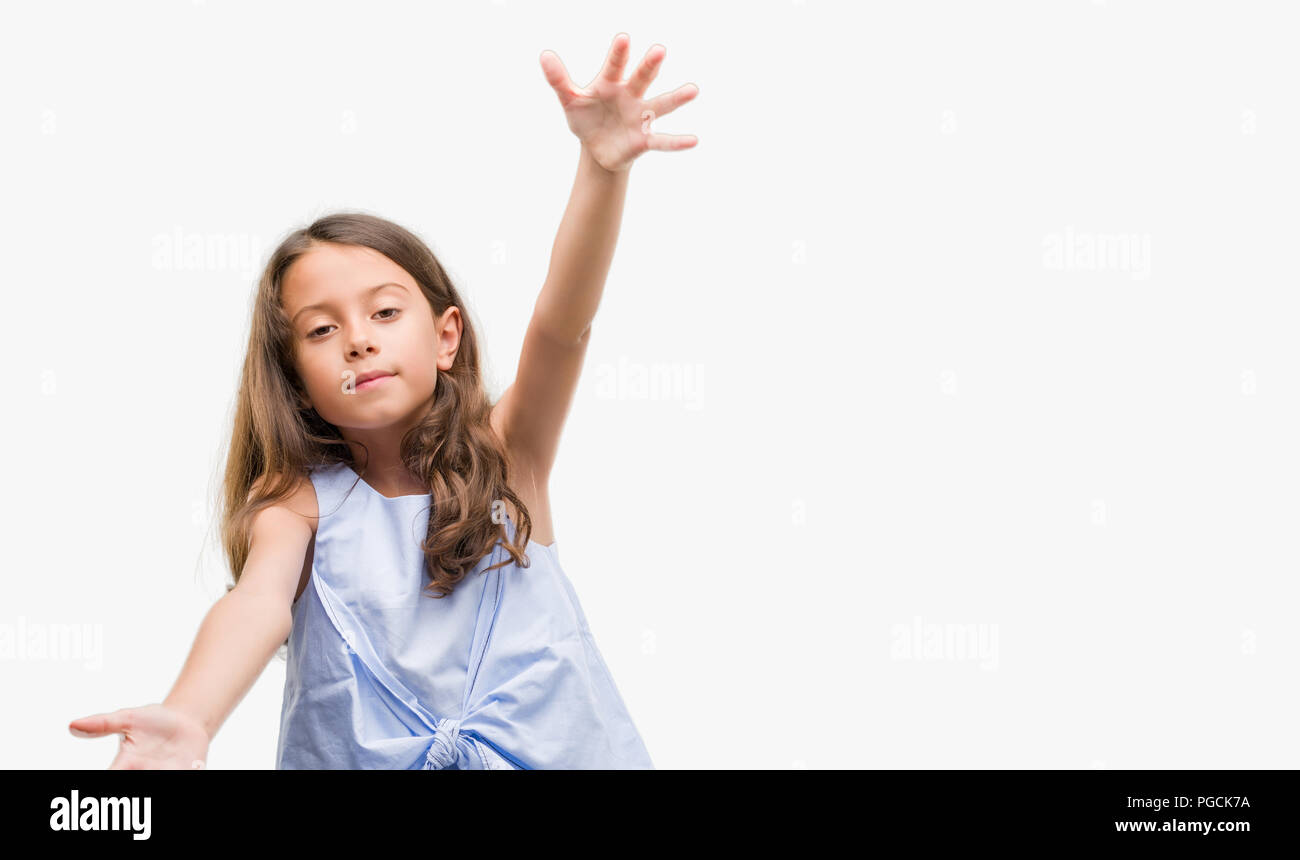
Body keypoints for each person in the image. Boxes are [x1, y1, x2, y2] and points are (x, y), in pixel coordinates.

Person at [67, 32, 698, 769]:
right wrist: (191, 716)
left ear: (446, 336)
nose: (358, 341)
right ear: (293, 376)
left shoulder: (508, 452)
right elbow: (255, 608)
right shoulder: (296, 504)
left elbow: (563, 326)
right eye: (322, 329)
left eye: (385, 313)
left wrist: (600, 168)